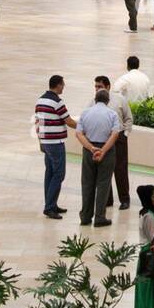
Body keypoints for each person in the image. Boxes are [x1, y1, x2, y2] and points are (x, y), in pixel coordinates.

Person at [76, 89, 121, 227]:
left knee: (87, 183)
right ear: (107, 101)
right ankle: (100, 217)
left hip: (89, 150)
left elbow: (79, 134)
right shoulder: (112, 114)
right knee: (103, 183)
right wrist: (102, 151)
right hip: (106, 150)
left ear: (95, 99)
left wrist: (90, 148)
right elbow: (115, 134)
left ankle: (85, 216)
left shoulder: (85, 113)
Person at [35, 74, 75, 220]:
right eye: (63, 84)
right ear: (58, 85)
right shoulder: (57, 102)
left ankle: (51, 203)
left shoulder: (40, 100)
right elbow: (69, 121)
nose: (63, 86)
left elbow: (37, 122)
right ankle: (50, 207)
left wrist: (40, 141)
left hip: (46, 142)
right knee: (59, 174)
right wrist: (83, 127)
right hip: (56, 143)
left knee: (50, 173)